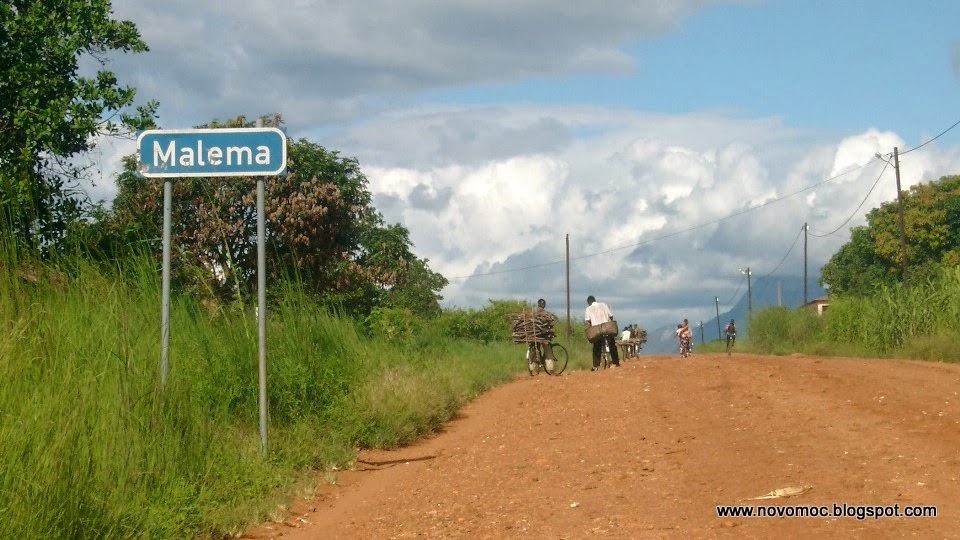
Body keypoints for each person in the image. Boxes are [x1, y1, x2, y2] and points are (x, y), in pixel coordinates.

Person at [584, 295, 620, 369]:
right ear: (595, 300)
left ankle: (596, 366)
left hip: (597, 330)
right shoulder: (603, 304)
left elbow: (587, 321)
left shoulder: (588, 309)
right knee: (612, 345)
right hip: (607, 328)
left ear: (589, 302)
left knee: (596, 347)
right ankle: (616, 363)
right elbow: (611, 316)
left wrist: (589, 327)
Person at [527, 298, 558, 373]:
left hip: (533, 335)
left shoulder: (533, 313)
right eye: (543, 304)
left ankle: (531, 369)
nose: (543, 305)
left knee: (533, 350)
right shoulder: (545, 313)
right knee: (548, 351)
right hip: (543, 336)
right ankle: (551, 369)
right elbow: (550, 319)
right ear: (543, 305)